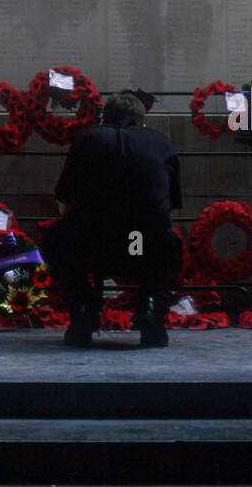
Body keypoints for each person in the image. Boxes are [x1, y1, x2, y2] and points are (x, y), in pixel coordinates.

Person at [42, 90, 183, 348]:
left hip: (91, 247)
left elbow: (64, 202)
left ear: (103, 119)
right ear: (143, 121)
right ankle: (151, 309)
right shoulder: (161, 142)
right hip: (145, 248)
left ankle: (83, 310)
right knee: (170, 243)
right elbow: (170, 210)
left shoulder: (86, 140)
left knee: (56, 236)